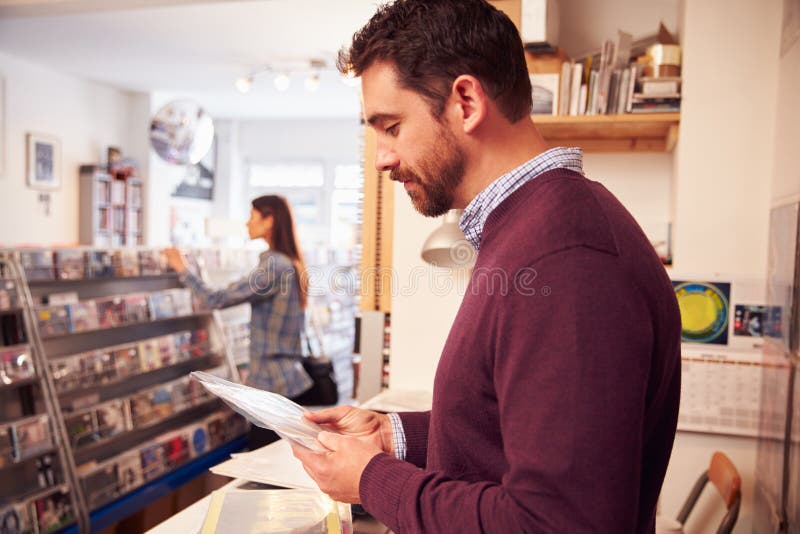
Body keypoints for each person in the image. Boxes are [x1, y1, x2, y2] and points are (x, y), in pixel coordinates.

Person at [291, 0, 682, 532]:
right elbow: (514, 432)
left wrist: (373, 479)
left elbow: (558, 522)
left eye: (391, 126)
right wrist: (390, 436)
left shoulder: (567, 257)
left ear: (467, 102)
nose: (381, 157)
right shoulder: (537, 227)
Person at [164, 194, 318, 449]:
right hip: (284, 380)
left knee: (264, 462)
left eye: (252, 217)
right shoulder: (289, 262)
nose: (247, 224)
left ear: (269, 221)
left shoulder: (274, 266)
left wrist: (182, 269)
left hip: (271, 385)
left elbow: (217, 298)